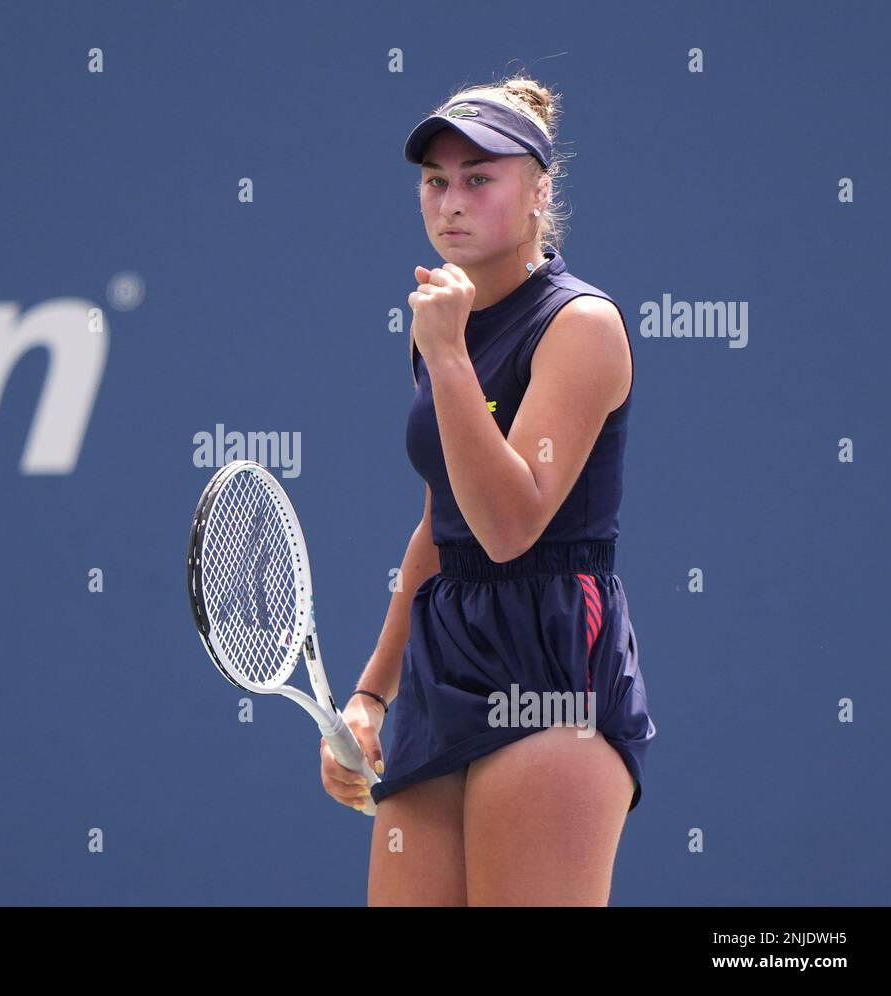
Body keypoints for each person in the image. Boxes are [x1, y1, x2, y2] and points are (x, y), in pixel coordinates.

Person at [319, 75, 656, 906]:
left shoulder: (581, 326)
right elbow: (445, 524)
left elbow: (508, 527)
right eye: (436, 181)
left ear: (540, 190)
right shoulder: (446, 323)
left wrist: (448, 356)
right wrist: (370, 693)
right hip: (443, 670)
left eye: (479, 177)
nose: (450, 201)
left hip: (549, 670)